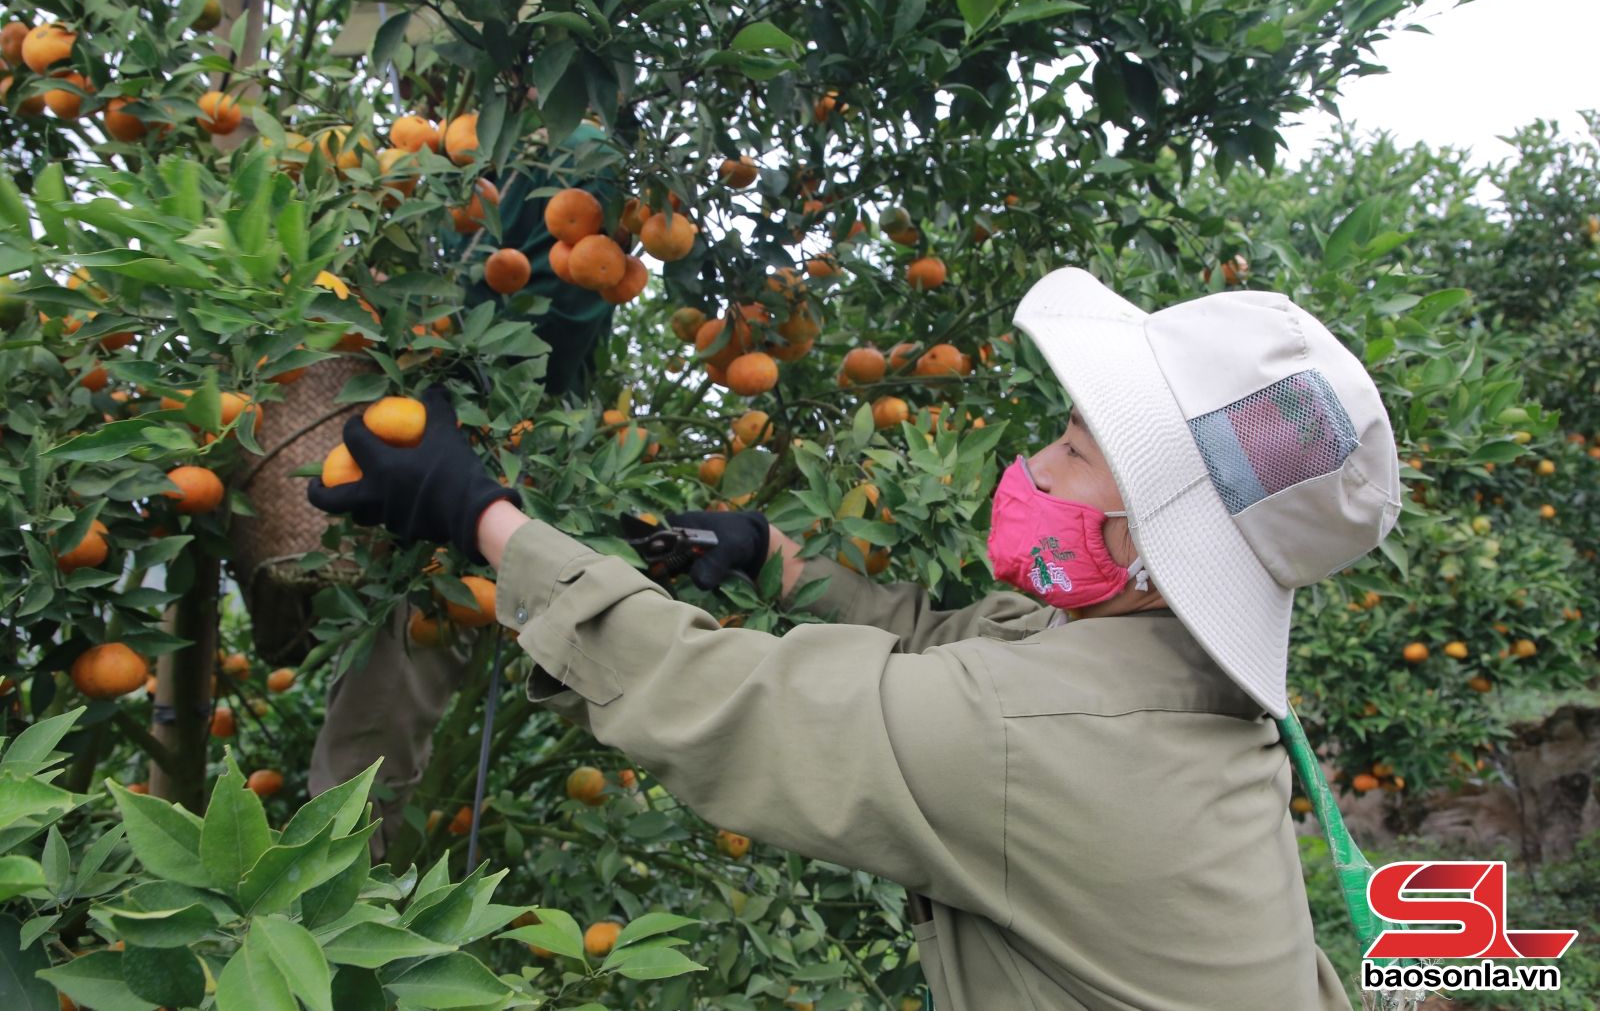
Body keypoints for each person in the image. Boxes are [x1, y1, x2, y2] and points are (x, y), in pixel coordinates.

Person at [307, 267, 1402, 1009]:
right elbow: (957, 639)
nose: (1033, 467)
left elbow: (719, 695)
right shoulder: (1167, 673)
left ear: (1151, 541)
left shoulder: (1031, 736)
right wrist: (774, 556)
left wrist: (479, 514)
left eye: (1073, 452)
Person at [305, 116, 618, 861]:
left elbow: (551, 322)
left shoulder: (566, 158)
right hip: (434, 461)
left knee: (375, 723)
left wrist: (435, 353)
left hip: (464, 474)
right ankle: (332, 889)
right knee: (371, 704)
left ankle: (327, 903)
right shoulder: (464, 155)